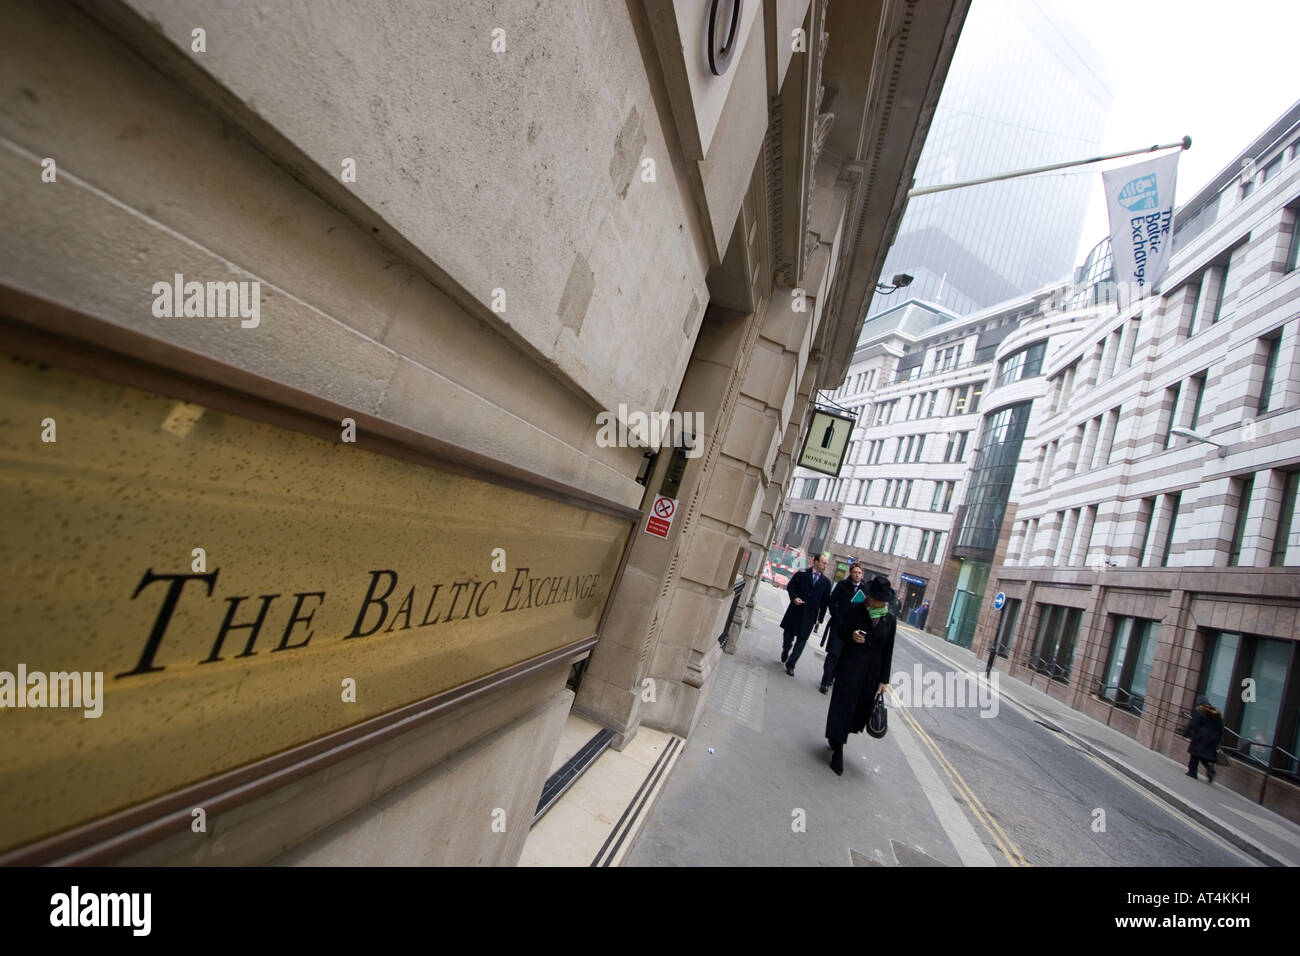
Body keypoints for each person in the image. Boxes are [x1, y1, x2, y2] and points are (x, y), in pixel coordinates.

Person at [825, 571, 895, 775]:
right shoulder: (856, 610)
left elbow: (888, 650)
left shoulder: (889, 620)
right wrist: (852, 634)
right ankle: (837, 748)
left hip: (870, 675)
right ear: (869, 597)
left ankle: (838, 734)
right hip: (849, 667)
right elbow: (841, 631)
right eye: (875, 600)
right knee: (843, 706)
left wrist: (884, 680)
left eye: (881, 602)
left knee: (857, 712)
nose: (877, 605)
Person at [779, 554, 832, 676]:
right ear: (816, 562)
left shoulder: (826, 583)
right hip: (795, 611)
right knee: (788, 635)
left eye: (826, 564)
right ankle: (786, 649)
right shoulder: (802, 573)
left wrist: (820, 619)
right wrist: (795, 598)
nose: (825, 566)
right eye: (823, 563)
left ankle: (791, 665)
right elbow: (791, 587)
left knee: (802, 640)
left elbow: (824, 603)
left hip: (810, 616)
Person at [819, 563, 864, 694]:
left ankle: (832, 678)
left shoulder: (864, 589)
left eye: (859, 573)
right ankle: (825, 681)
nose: (857, 575)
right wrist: (837, 616)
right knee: (833, 654)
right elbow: (832, 601)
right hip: (838, 626)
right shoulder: (842, 585)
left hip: (852, 630)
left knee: (843, 657)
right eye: (855, 572)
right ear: (850, 573)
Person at [1184, 695, 1223, 782]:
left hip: (1200, 737)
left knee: (1195, 755)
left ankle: (1192, 773)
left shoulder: (1199, 710)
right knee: (1205, 757)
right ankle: (1210, 770)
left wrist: (1186, 732)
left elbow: (1193, 723)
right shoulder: (1217, 713)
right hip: (1213, 739)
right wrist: (1219, 740)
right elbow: (1220, 728)